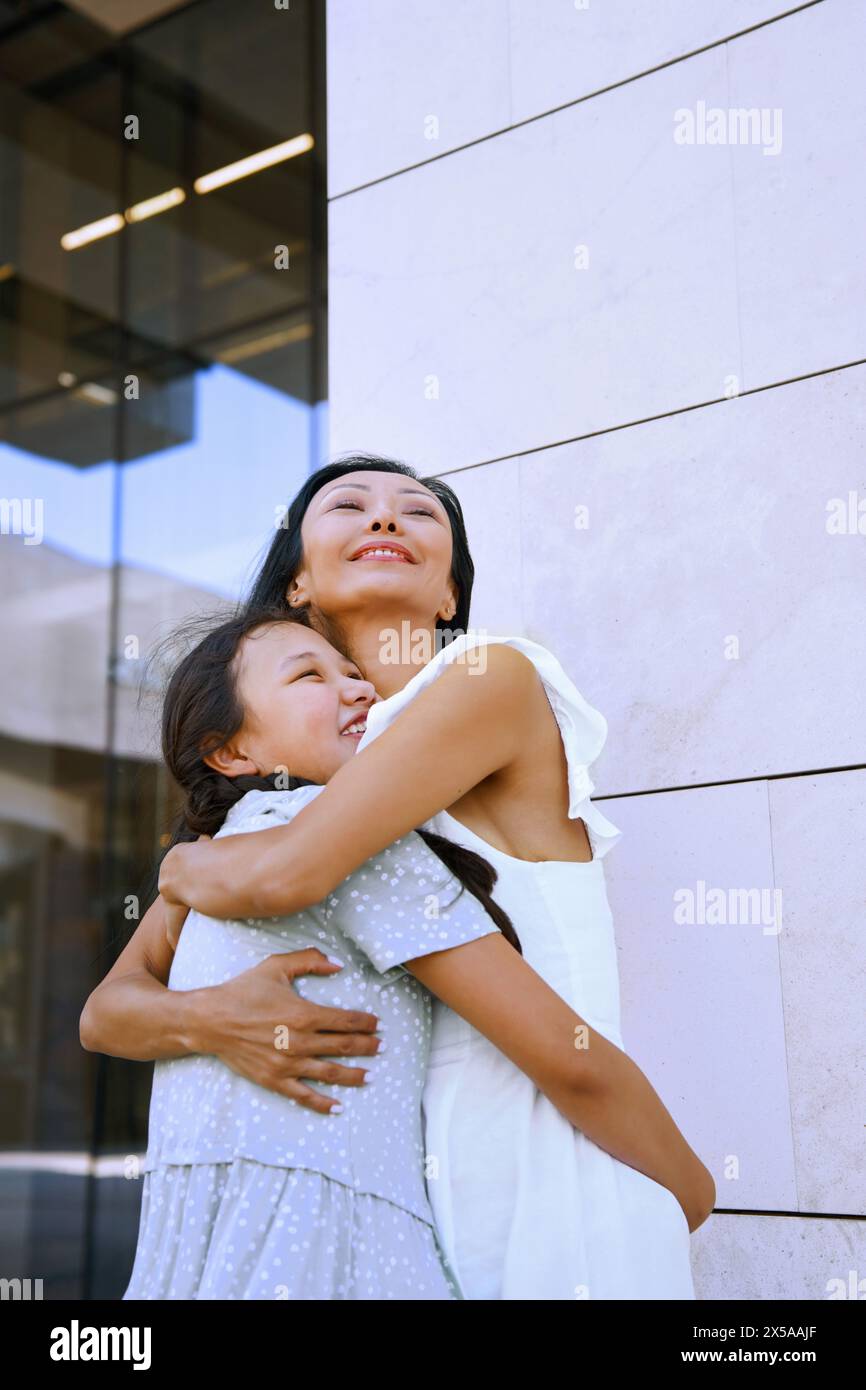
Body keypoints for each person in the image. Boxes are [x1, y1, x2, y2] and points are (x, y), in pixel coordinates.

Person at [83, 453, 715, 1300]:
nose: (386, 519)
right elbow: (108, 1011)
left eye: (420, 514)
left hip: (556, 1151)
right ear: (298, 581)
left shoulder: (489, 678)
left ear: (449, 595)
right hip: (422, 1191)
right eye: (349, 505)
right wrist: (212, 1020)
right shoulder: (312, 779)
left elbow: (291, 874)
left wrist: (691, 1193)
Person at [123, 608, 518, 1299]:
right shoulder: (289, 842)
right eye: (311, 675)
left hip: (203, 1244)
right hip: (322, 1241)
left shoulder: (217, 857)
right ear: (232, 754)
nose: (361, 689)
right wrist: (685, 1191)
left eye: (356, 674)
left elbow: (104, 1014)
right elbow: (104, 1013)